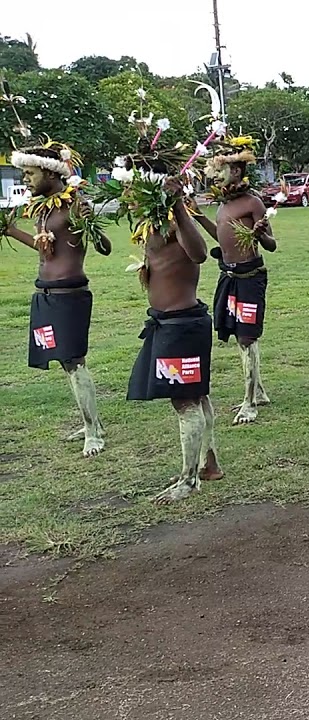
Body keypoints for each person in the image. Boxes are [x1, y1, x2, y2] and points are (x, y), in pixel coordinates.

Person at [106, 128, 222, 502]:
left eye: (130, 187)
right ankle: (210, 462)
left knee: (185, 401)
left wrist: (178, 208)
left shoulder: (172, 218)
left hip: (181, 325)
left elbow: (200, 253)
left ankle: (189, 480)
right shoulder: (150, 223)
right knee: (198, 396)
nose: (125, 194)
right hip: (170, 323)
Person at [4, 140, 110, 458]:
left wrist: (90, 222)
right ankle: (90, 423)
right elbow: (44, 249)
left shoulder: (74, 204)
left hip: (70, 295)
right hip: (46, 295)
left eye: (30, 173)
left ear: (51, 173)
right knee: (67, 365)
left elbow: (104, 247)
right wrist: (10, 231)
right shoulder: (43, 208)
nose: (26, 179)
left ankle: (94, 432)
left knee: (74, 363)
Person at [191, 135, 277, 425]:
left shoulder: (252, 203)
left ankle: (249, 402)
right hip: (228, 277)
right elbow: (221, 238)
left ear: (237, 171)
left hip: (250, 277)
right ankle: (259, 391)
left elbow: (271, 245)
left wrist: (260, 233)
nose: (218, 174)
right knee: (240, 337)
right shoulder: (223, 206)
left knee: (247, 337)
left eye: (222, 169)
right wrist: (199, 218)